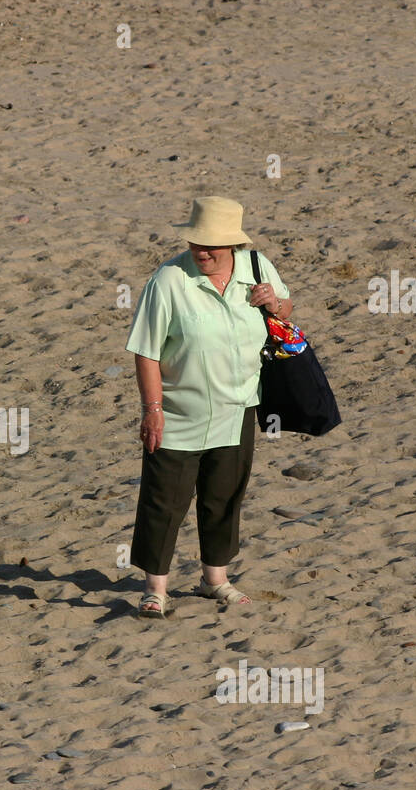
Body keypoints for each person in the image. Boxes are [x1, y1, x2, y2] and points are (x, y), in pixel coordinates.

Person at [124, 196, 292, 617]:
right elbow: (145, 351)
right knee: (164, 501)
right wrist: (153, 409)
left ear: (232, 246)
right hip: (178, 413)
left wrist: (274, 302)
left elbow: (286, 313)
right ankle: (156, 590)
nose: (202, 252)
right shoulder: (168, 280)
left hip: (238, 408)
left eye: (212, 246)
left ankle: (214, 580)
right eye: (197, 243)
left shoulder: (257, 267)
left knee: (223, 497)